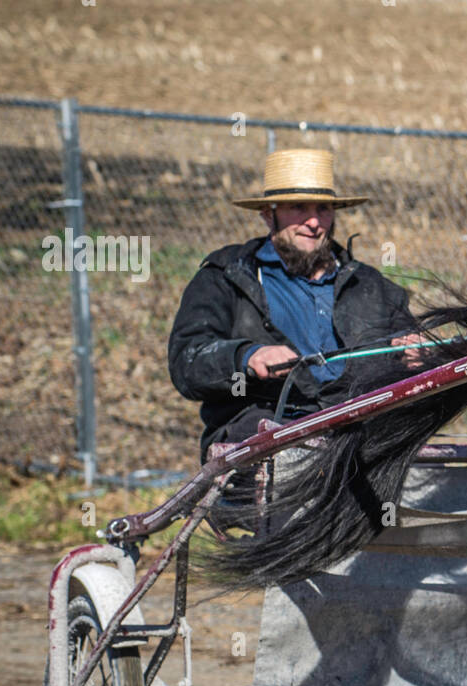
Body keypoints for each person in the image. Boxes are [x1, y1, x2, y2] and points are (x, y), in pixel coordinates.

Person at [168, 148, 422, 462]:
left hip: (363, 439)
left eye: (324, 209)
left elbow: (413, 373)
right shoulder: (227, 277)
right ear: (267, 213)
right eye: (298, 208)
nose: (314, 222)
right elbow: (187, 362)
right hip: (265, 436)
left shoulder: (372, 287)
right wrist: (246, 356)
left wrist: (417, 358)